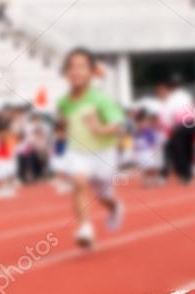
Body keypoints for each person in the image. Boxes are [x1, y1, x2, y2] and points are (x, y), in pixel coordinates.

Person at [56, 47, 126, 248]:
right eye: (71, 67)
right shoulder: (64, 102)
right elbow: (64, 124)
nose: (76, 71)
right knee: (79, 182)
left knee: (102, 196)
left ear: (92, 71)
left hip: (103, 153)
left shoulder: (100, 99)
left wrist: (99, 129)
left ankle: (115, 207)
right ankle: (85, 228)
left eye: (81, 67)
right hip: (77, 151)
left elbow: (117, 125)